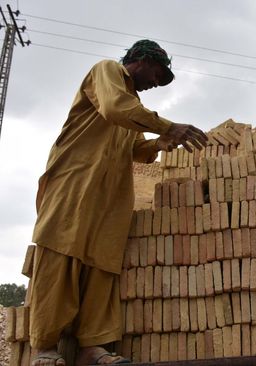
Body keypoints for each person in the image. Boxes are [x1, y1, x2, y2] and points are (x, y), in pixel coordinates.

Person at [29, 40, 208, 366]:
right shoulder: (108, 72)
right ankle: (44, 347)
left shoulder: (133, 105)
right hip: (75, 182)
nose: (156, 83)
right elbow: (113, 108)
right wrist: (168, 125)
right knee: (58, 257)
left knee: (101, 266)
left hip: (109, 195)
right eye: (157, 74)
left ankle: (92, 348)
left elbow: (136, 150)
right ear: (140, 60)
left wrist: (160, 142)